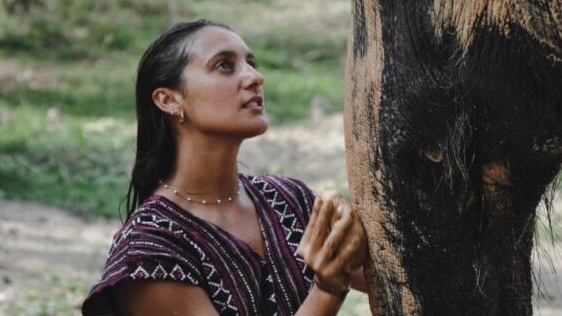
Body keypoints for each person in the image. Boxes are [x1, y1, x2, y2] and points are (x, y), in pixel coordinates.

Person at [82, 20, 367, 315]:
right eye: (224, 65)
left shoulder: (287, 201)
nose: (255, 77)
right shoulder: (150, 253)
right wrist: (327, 289)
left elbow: (393, 277)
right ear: (169, 100)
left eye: (251, 63)